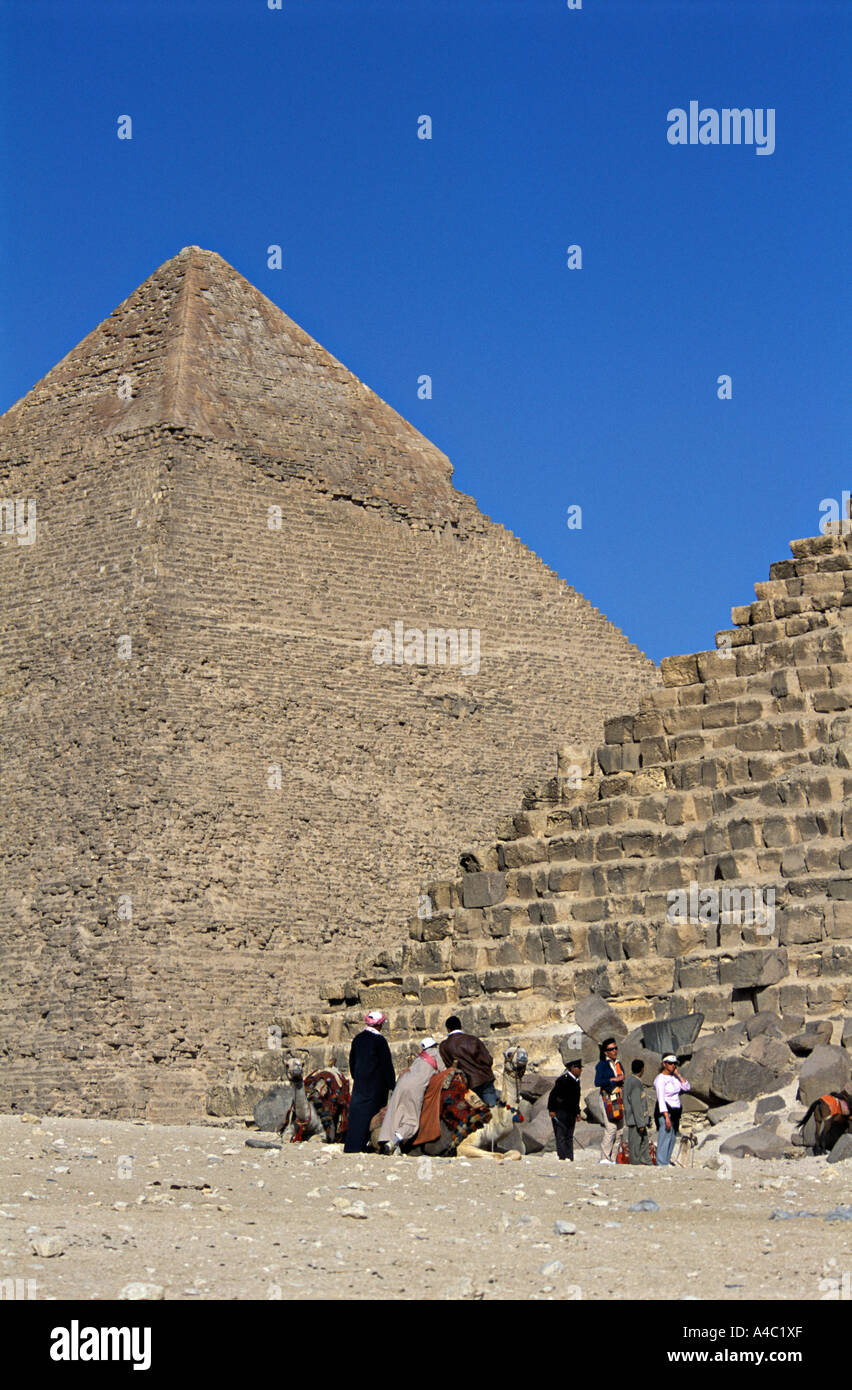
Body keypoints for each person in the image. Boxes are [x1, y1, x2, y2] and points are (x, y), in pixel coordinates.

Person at [344, 1009, 396, 1153]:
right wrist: (392, 1084)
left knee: (357, 1115)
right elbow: (387, 1065)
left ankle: (352, 1146)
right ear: (379, 1025)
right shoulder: (380, 1041)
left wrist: (358, 1077)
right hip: (376, 1087)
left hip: (360, 1085)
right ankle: (368, 1144)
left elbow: (352, 1062)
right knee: (371, 1115)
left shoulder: (358, 1038)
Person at [378, 1036, 441, 1152]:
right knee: (411, 1121)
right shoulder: (436, 1053)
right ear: (434, 1046)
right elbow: (443, 1070)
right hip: (415, 1087)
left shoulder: (419, 1058)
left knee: (396, 1114)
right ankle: (394, 1142)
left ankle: (388, 1141)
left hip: (402, 1083)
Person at [439, 1015, 498, 1106]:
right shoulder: (473, 1040)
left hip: (466, 1085)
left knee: (475, 1116)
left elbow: (448, 1066)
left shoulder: (444, 1046)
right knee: (493, 1111)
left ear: (448, 1029)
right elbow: (488, 1060)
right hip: (484, 1079)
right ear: (460, 1026)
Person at [654, 1053, 691, 1166]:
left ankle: (666, 1160)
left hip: (676, 1111)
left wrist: (678, 1075)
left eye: (674, 1063)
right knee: (664, 1136)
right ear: (664, 1064)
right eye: (670, 1063)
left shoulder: (674, 1078)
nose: (673, 1065)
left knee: (672, 1138)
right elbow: (661, 1098)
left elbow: (687, 1087)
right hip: (666, 1111)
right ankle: (661, 1162)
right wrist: (666, 1117)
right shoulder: (660, 1079)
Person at [594, 1037, 625, 1164]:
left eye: (615, 1048)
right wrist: (613, 1080)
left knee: (620, 1130)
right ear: (605, 1052)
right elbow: (598, 1082)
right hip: (607, 1097)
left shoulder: (618, 1064)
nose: (614, 1051)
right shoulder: (602, 1065)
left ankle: (613, 1158)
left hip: (618, 1098)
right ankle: (604, 1157)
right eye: (611, 1049)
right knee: (611, 1128)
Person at [547, 1058, 582, 1160]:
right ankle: (562, 1157)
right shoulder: (563, 1080)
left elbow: (576, 1099)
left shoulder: (576, 1081)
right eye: (578, 1068)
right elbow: (553, 1095)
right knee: (561, 1136)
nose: (580, 1070)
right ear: (572, 1068)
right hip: (560, 1112)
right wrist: (552, 1110)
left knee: (569, 1136)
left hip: (571, 1113)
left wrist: (578, 1112)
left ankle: (570, 1157)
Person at [623, 1058, 652, 1165]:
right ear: (642, 1069)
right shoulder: (635, 1083)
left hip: (636, 1120)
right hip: (636, 1121)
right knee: (635, 1145)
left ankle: (647, 1162)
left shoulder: (629, 1080)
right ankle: (635, 1164)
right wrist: (641, 1123)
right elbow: (636, 1104)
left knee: (644, 1142)